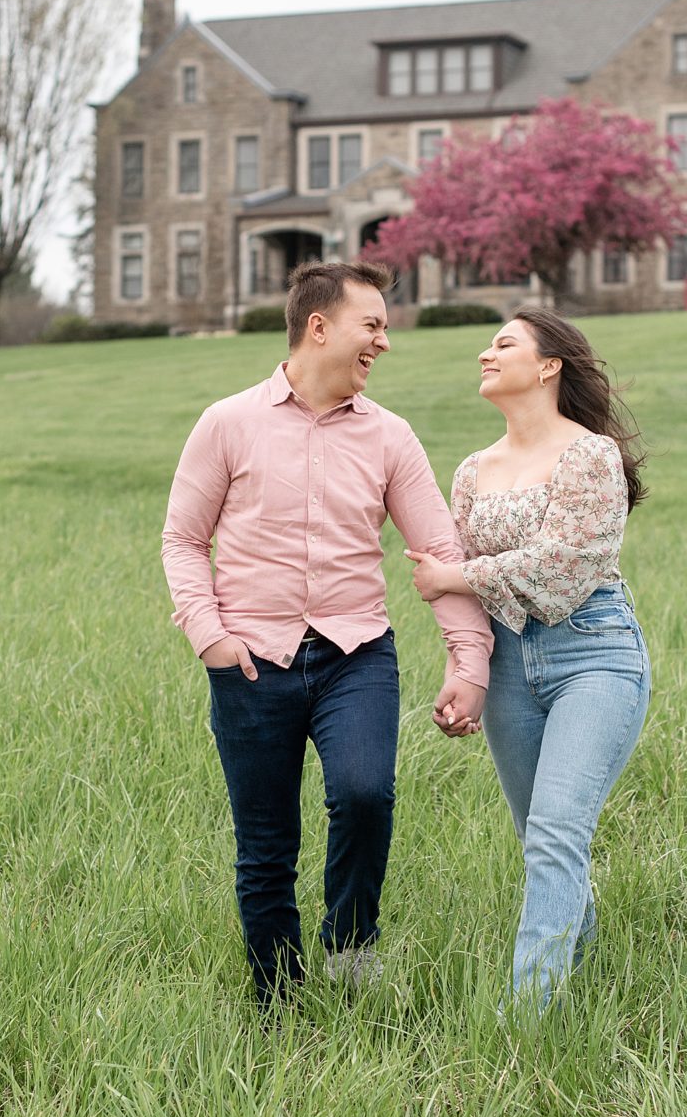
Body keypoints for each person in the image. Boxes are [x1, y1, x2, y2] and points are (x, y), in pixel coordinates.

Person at [161, 261, 492, 1010]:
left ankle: (349, 955)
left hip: (355, 656)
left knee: (365, 793)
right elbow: (182, 540)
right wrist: (209, 635)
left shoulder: (391, 437)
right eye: (371, 325)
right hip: (249, 662)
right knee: (266, 848)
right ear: (319, 327)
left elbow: (440, 553)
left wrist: (468, 663)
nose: (384, 340)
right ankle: (276, 1001)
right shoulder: (228, 422)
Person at [405, 305, 651, 1013]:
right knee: (540, 838)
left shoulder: (589, 455)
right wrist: (466, 671)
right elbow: (451, 583)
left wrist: (456, 577)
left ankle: (527, 1021)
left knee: (553, 830)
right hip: (509, 664)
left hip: (594, 656)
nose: (486, 353)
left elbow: (565, 568)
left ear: (547, 366)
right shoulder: (472, 470)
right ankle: (588, 972)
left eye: (503, 344)